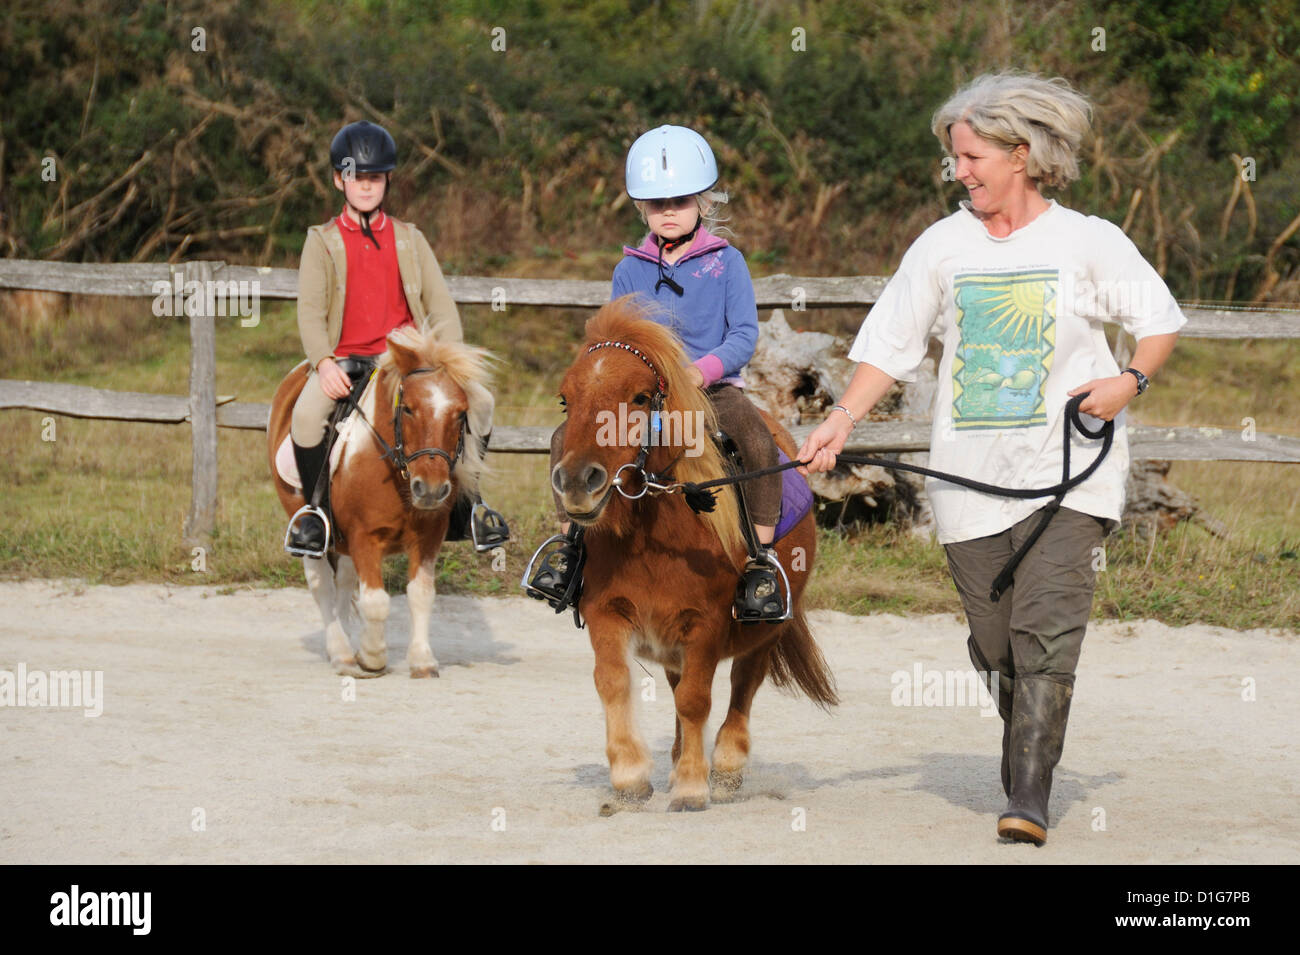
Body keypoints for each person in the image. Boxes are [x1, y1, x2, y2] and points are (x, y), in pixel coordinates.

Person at [798, 73, 1183, 845]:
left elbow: (1159, 320)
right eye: (955, 159)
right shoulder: (942, 246)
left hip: (1071, 476)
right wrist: (841, 419)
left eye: (972, 157)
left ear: (1022, 153)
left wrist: (1128, 380)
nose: (960, 171)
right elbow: (890, 348)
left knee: (1047, 633)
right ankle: (1031, 750)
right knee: (997, 642)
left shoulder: (1088, 239)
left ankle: (1028, 796)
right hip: (969, 483)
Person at [526, 124, 788, 621]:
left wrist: (701, 371)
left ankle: (761, 562)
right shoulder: (629, 270)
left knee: (755, 438)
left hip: (709, 392)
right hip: (642, 402)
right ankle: (569, 547)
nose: (669, 211)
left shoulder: (727, 263)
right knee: (567, 437)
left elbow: (743, 336)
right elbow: (614, 340)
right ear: (641, 208)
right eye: (656, 202)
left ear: (704, 203)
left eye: (681, 200)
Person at [286, 119, 506, 556]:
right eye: (356, 177)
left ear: (387, 180)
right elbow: (310, 313)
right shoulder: (322, 241)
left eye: (374, 177)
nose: (366, 187)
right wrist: (323, 363)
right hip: (347, 360)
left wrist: (448, 363)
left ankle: (469, 506)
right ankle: (316, 514)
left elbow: (440, 306)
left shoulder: (410, 239)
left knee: (482, 404)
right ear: (338, 180)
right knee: (307, 418)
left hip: (407, 361)